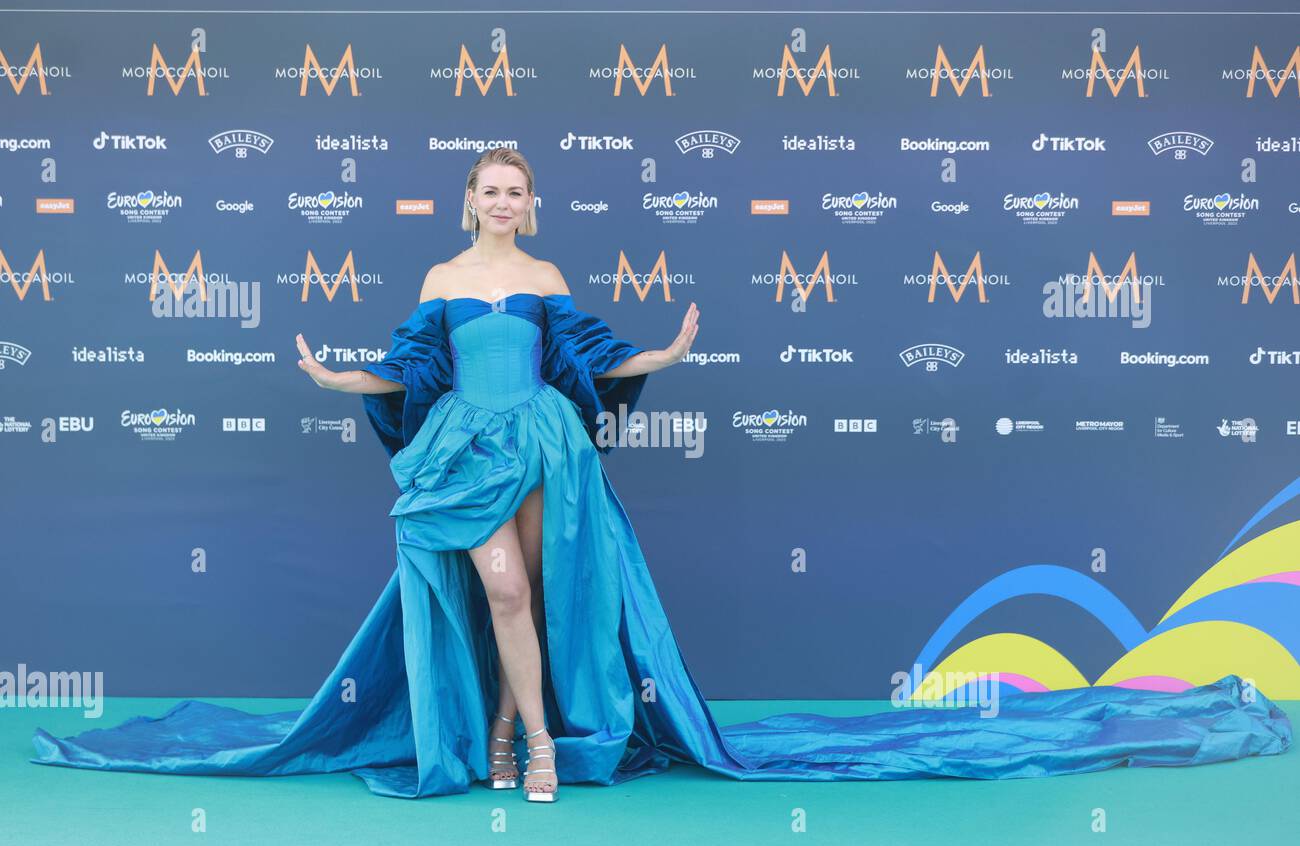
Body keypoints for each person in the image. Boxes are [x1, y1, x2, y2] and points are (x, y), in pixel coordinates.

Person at [30, 149, 1292, 803]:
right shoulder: (437, 281)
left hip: (546, 450)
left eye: (518, 189)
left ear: (531, 201)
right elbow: (406, 371)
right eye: (490, 188)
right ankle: (518, 733)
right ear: (466, 198)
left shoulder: (544, 277)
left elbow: (589, 359)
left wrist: (668, 351)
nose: (505, 201)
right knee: (498, 595)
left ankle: (527, 734)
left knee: (528, 592)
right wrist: (330, 383)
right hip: (466, 450)